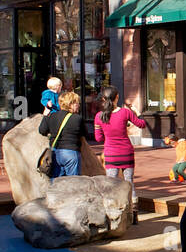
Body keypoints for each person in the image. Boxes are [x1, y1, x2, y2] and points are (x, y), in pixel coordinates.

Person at [94, 86, 147, 216]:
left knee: (111, 183)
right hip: (126, 152)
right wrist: (135, 110)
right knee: (129, 182)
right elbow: (142, 124)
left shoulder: (99, 116)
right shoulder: (125, 112)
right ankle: (134, 212)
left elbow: (98, 138)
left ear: (103, 99)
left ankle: (113, 212)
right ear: (117, 97)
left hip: (111, 154)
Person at [38, 90, 92, 177]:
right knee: (73, 183)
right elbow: (85, 134)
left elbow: (42, 130)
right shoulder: (77, 118)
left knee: (56, 183)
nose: (78, 105)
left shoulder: (51, 116)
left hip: (55, 153)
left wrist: (45, 116)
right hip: (71, 153)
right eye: (77, 103)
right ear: (71, 104)